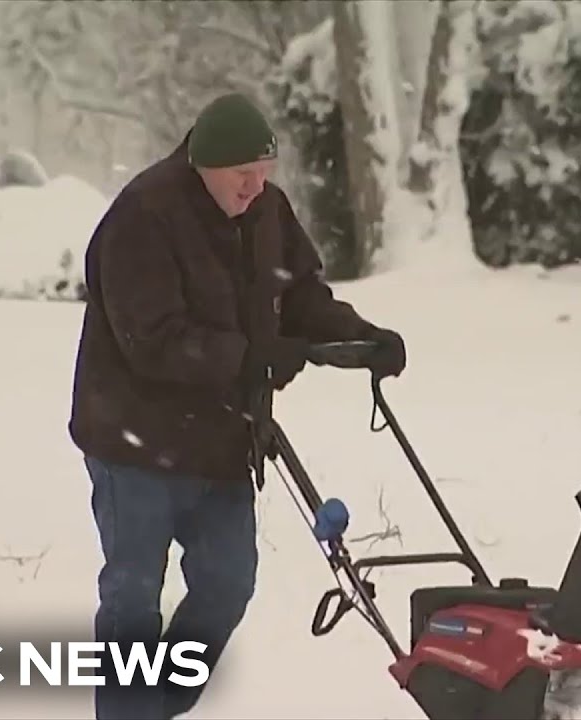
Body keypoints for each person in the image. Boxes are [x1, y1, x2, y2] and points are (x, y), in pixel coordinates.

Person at [67, 93, 407, 720]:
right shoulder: (144, 216)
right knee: (133, 595)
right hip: (134, 443)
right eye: (241, 175)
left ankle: (158, 705)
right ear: (203, 164)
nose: (254, 188)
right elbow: (153, 340)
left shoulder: (266, 211)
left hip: (223, 439)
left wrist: (360, 337)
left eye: (264, 173)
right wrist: (249, 360)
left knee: (227, 584)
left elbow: (299, 295)